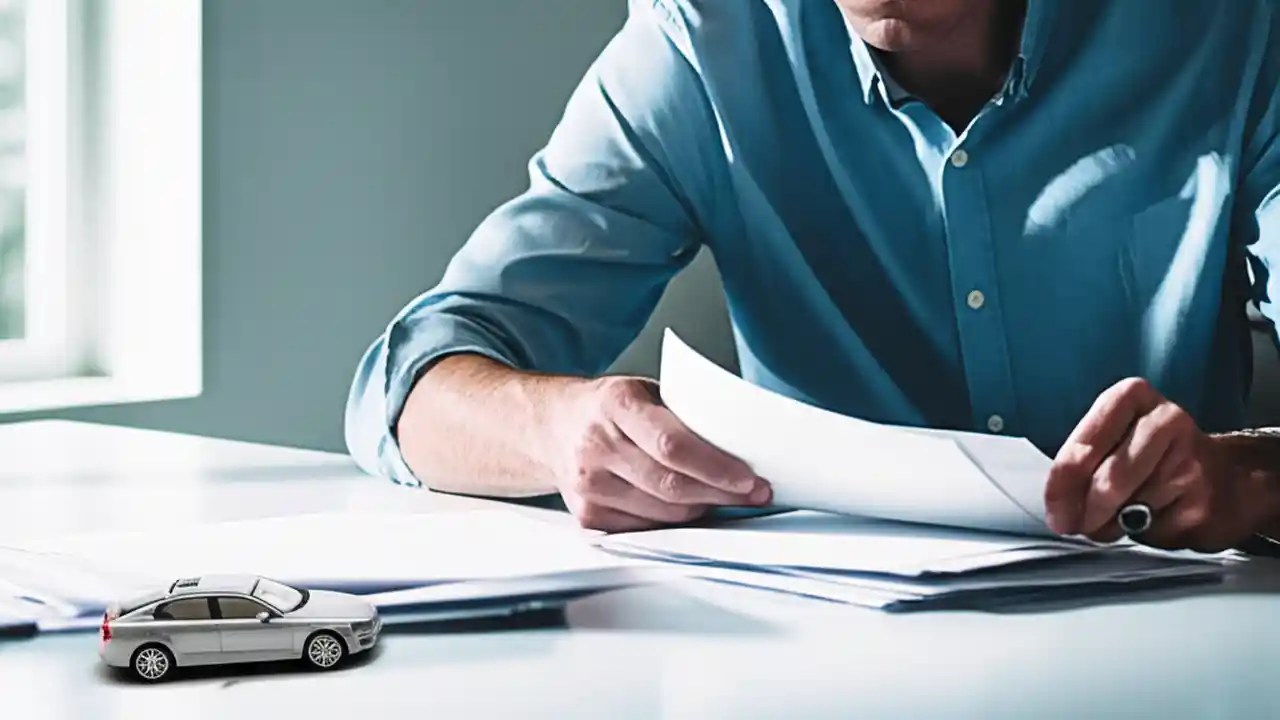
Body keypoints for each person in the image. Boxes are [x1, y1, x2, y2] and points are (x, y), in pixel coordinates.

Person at [345, 0, 1280, 550]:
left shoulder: (1236, 35)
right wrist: (560, 431)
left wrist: (1247, 478)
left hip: (1176, 651)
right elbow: (410, 386)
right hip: (815, 661)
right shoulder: (705, 43)